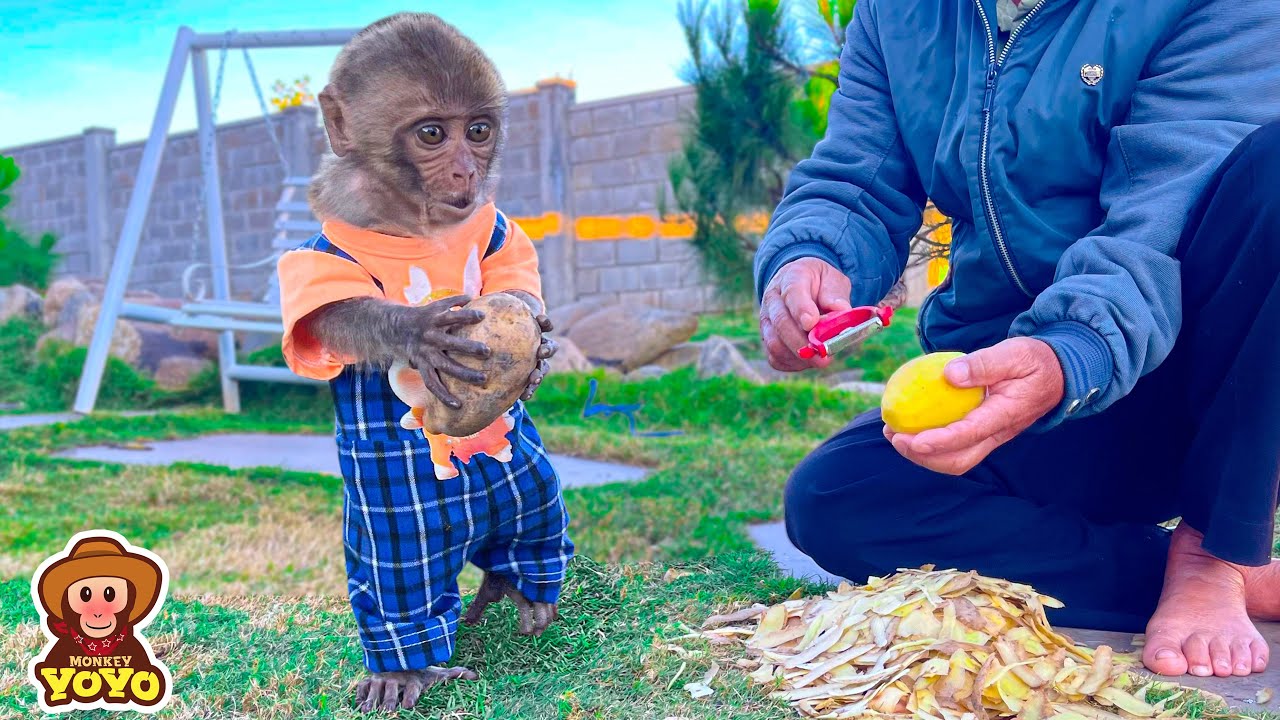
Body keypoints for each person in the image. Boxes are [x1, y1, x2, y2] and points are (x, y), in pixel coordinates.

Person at [754, 0, 1280, 679]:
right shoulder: (895, 13)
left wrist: (1070, 347)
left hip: (1192, 387)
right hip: (1009, 374)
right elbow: (856, 178)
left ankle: (1211, 555)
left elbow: (1161, 214)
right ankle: (1167, 575)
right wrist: (811, 257)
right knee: (837, 500)